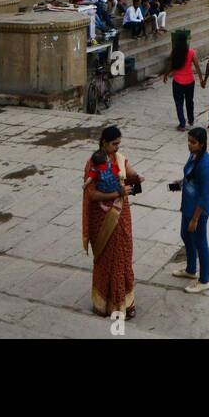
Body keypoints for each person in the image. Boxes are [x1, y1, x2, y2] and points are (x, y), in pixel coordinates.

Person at [82, 125, 140, 318]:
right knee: (107, 259)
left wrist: (137, 177)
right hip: (103, 219)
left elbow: (130, 173)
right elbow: (91, 195)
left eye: (119, 144)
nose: (117, 147)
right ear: (104, 143)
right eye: (114, 144)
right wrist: (117, 193)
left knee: (123, 257)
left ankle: (126, 303)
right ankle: (105, 303)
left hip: (121, 215)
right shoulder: (93, 163)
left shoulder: (120, 159)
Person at [169, 127, 209, 294]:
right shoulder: (194, 156)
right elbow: (189, 176)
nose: (189, 145)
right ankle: (190, 269)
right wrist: (180, 183)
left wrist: (195, 219)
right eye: (188, 141)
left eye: (193, 142)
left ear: (201, 144)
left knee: (201, 242)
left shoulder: (204, 166)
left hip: (198, 210)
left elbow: (203, 195)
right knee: (185, 234)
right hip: (187, 204)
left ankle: (204, 280)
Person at [160, 32, 205, 130]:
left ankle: (182, 123)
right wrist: (201, 79)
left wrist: (166, 74)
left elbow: (170, 65)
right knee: (189, 101)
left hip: (177, 82)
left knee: (179, 103)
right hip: (189, 81)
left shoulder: (174, 52)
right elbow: (197, 65)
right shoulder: (191, 52)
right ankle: (191, 119)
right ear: (186, 41)